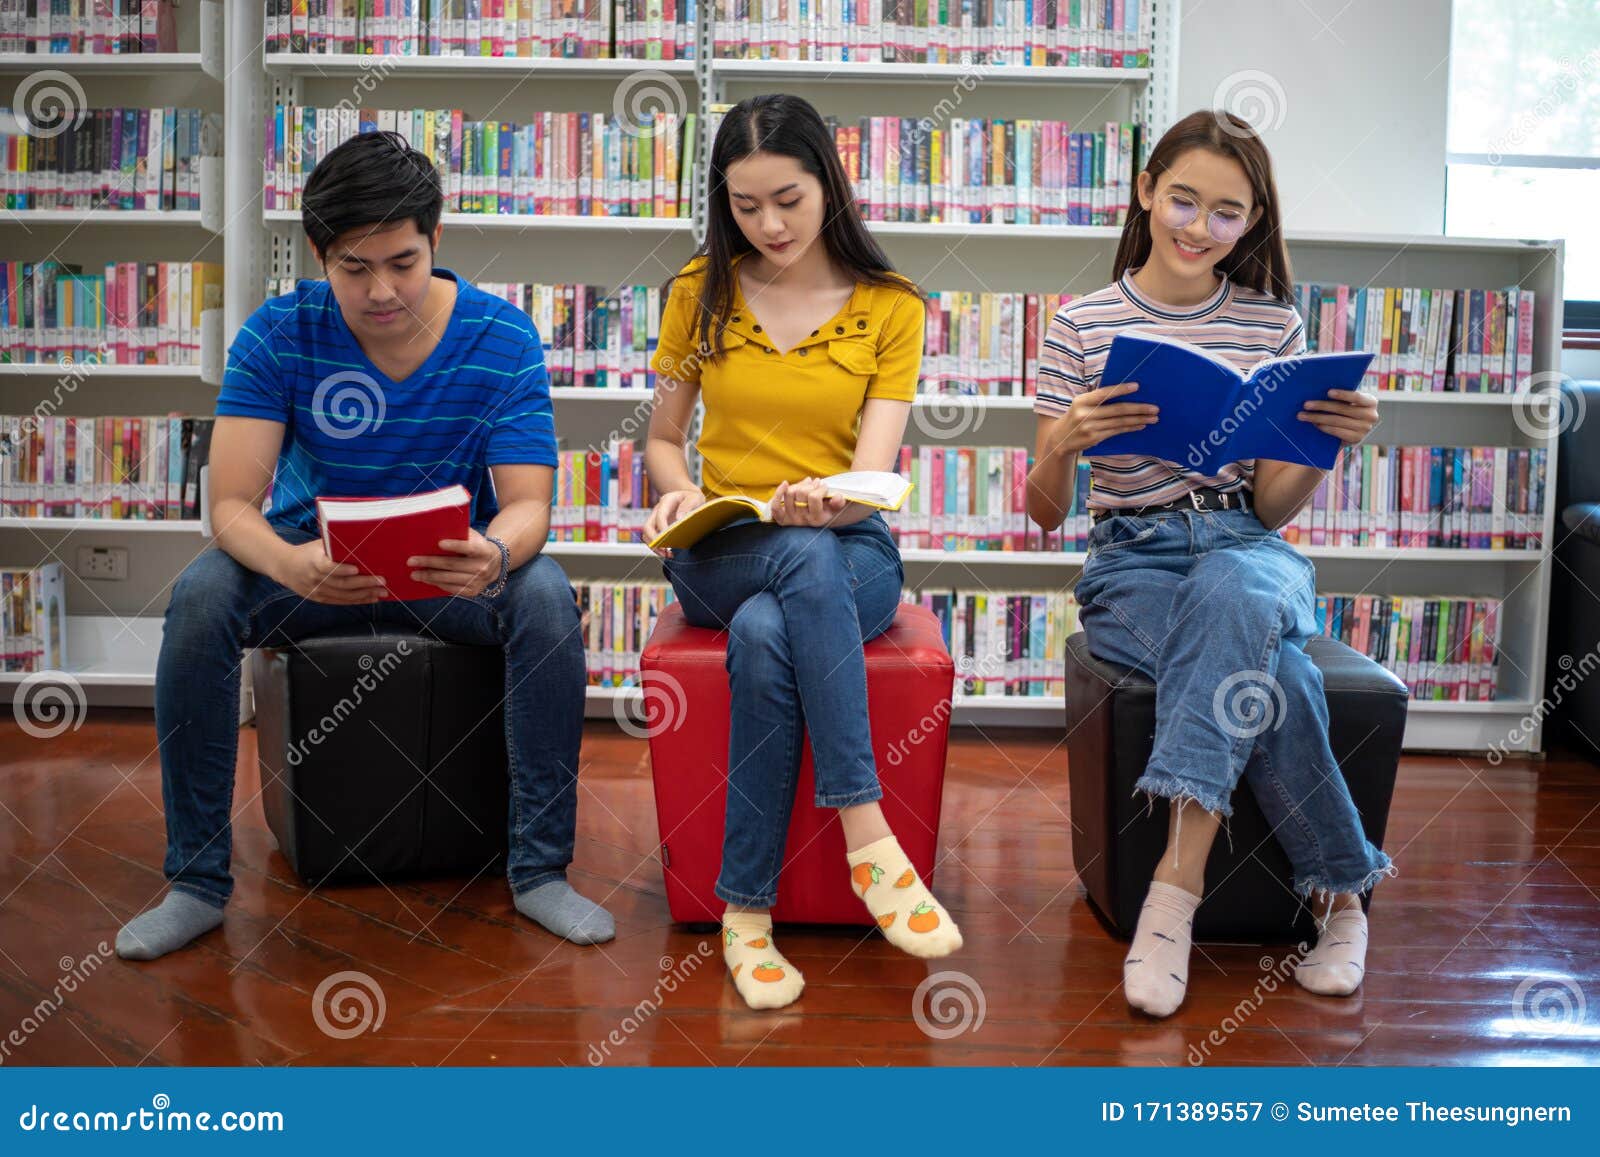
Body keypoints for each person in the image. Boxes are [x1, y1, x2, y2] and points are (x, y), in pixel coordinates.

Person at [116, 131, 613, 960]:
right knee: (203, 596)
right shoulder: (280, 333)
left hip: (450, 565)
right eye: (354, 267)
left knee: (547, 598)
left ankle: (540, 870)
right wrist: (288, 566)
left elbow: (530, 508)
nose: (382, 290)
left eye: (403, 262)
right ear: (319, 254)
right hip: (314, 559)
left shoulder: (502, 337)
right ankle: (197, 881)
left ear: (436, 241)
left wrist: (494, 552)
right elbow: (233, 503)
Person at [1026, 109, 1393, 1018]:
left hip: (1249, 546)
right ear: (1145, 190)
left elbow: (1271, 507)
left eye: (1226, 213)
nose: (1199, 227)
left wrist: (1322, 441)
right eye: (1182, 199)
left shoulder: (1274, 324)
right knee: (1282, 682)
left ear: (1252, 221)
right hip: (1134, 561)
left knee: (1235, 583)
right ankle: (1342, 894)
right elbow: (1043, 513)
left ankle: (1173, 889)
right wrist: (1062, 445)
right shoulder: (1082, 324)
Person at [641, 94, 962, 1011]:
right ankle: (872, 845)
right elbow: (664, 437)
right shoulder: (697, 293)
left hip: (848, 548)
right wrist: (677, 486)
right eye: (745, 206)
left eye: (788, 197)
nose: (769, 224)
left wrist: (827, 503)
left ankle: (745, 918)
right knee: (784, 568)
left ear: (830, 182)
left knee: (775, 618)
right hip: (723, 546)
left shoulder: (891, 307)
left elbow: (873, 474)